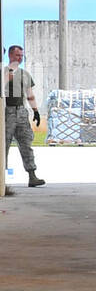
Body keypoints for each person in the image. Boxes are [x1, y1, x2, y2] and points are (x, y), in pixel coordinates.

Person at [3, 45, 45, 187]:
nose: (19, 58)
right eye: (17, 55)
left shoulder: (25, 74)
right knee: (3, 146)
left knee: (26, 144)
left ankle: (32, 175)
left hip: (21, 111)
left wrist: (36, 111)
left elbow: (29, 94)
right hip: (6, 112)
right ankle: (2, 180)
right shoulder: (3, 73)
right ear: (10, 55)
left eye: (21, 56)